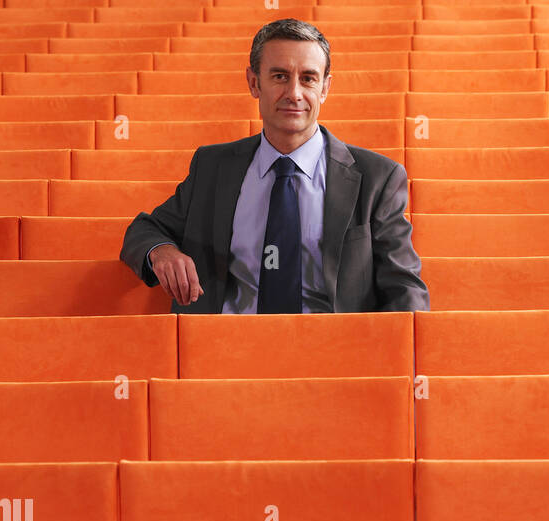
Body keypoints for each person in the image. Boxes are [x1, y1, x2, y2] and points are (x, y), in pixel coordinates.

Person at [120, 17, 429, 315]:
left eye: (308, 78)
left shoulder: (378, 178)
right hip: (224, 349)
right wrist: (161, 251)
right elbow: (144, 230)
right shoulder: (213, 167)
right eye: (280, 76)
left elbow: (405, 289)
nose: (294, 93)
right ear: (254, 83)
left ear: (325, 88)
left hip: (332, 352)